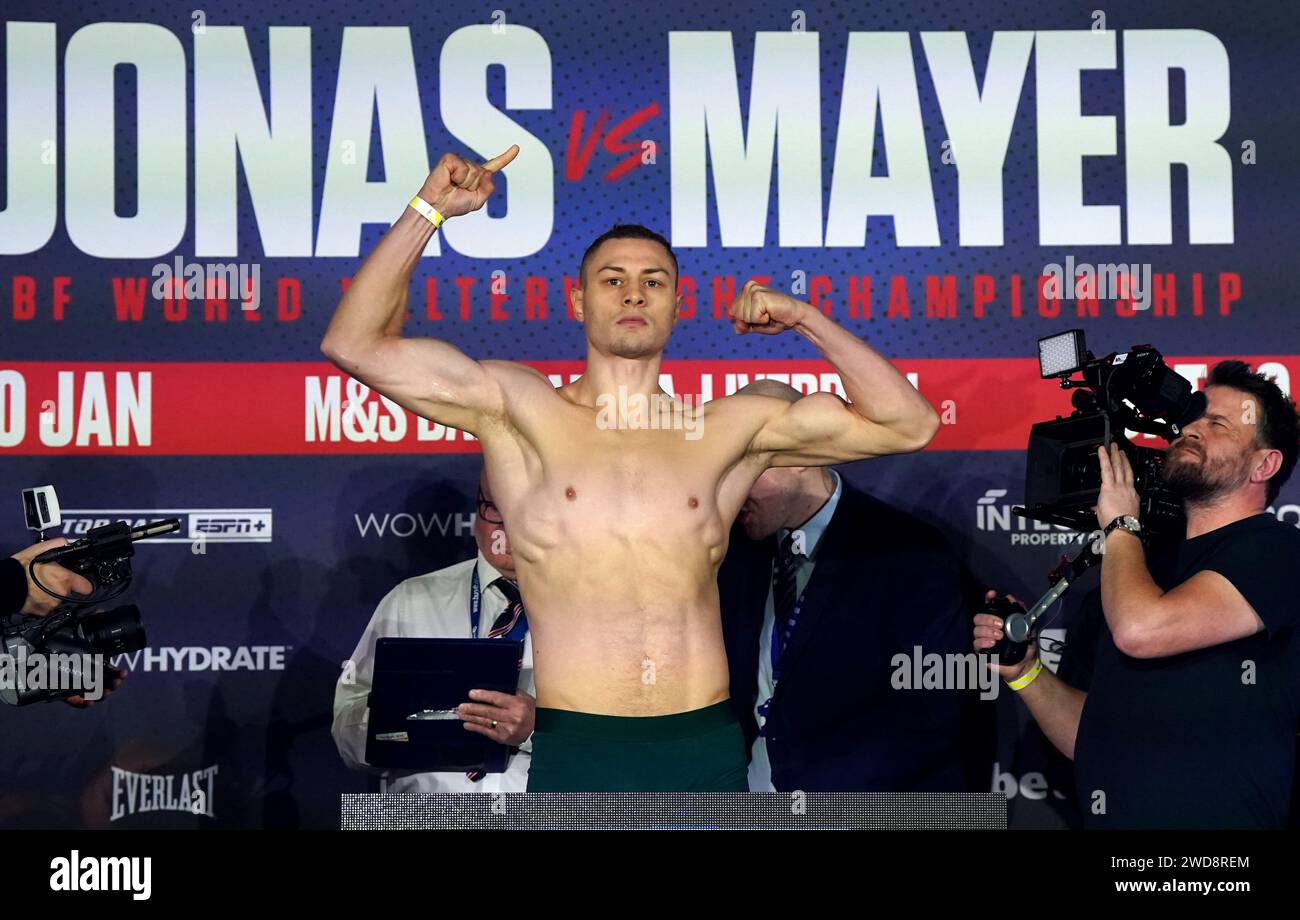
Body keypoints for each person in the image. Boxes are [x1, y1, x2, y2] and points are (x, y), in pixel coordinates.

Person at [321, 146, 939, 791]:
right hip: (576, 744)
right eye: (612, 279)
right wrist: (429, 211)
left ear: (678, 305)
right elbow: (354, 343)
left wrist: (806, 320)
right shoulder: (517, 412)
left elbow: (908, 423)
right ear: (578, 300)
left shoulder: (727, 430)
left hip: (701, 744)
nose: (634, 293)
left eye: (654, 281)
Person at [975, 361, 1300, 828]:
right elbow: (1098, 736)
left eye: (1217, 423)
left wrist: (1120, 525)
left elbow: (1140, 630)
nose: (1191, 429)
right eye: (1189, 419)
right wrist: (1026, 672)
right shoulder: (1142, 569)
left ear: (1264, 464)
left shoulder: (1278, 550)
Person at [720, 380, 992, 792]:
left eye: (747, 466)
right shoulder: (727, 552)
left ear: (801, 455)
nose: (730, 490)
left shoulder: (907, 552)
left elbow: (934, 716)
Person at [332, 467, 535, 792]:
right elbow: (345, 733)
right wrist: (391, 721)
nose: (507, 523)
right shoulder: (409, 600)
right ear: (478, 509)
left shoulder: (596, 611)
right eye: (495, 506)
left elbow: (627, 747)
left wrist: (537, 731)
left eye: (525, 508)